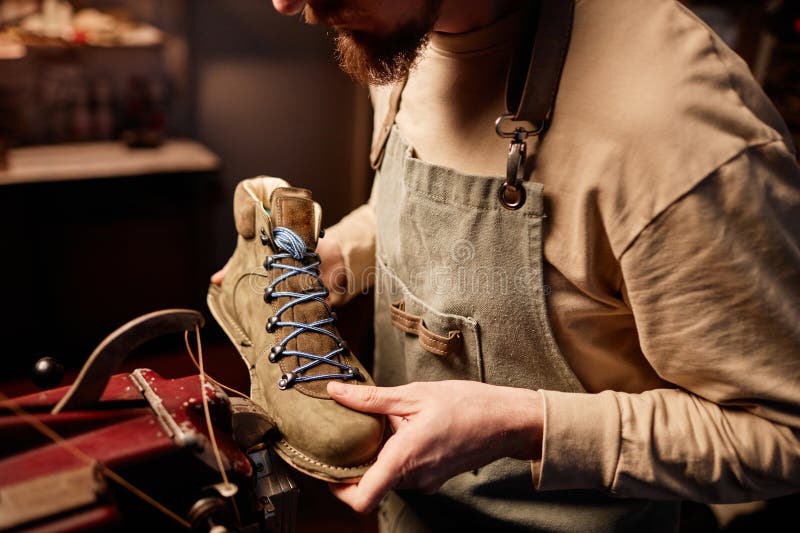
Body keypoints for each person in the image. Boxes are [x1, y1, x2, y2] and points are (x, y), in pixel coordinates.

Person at [215, 0, 800, 530]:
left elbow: (784, 433)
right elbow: (419, 202)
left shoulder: (683, 136)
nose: (287, 4)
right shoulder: (405, 31)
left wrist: (521, 424)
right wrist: (339, 257)